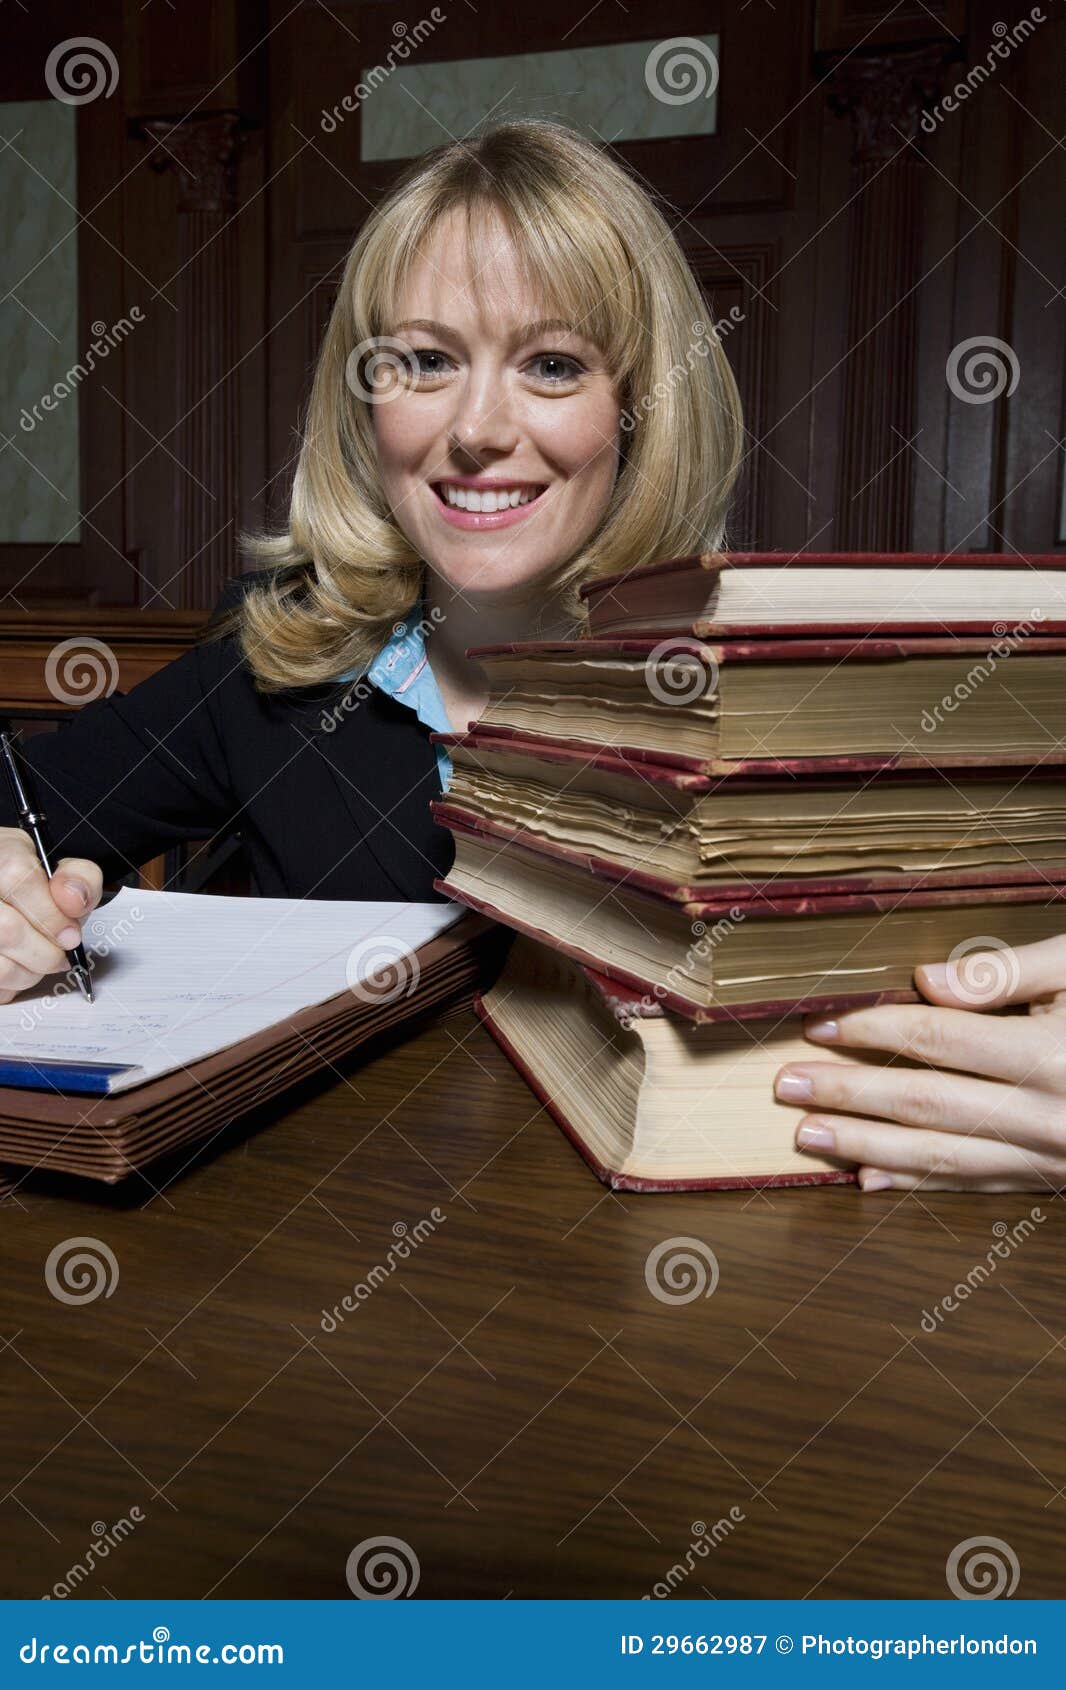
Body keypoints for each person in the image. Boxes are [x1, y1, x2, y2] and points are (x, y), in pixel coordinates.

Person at [0, 120, 1061, 1193]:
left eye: (552, 365)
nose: (476, 428)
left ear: (640, 408)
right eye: (425, 361)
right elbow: (21, 811)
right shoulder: (278, 658)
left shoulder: (779, 693)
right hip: (334, 1246)